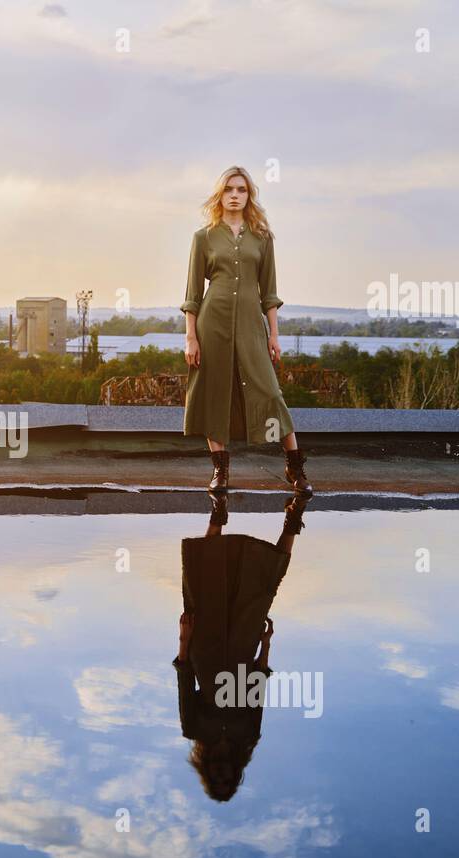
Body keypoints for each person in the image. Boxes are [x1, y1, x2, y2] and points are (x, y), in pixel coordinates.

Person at [180, 165, 313, 496]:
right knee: (213, 394)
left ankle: (295, 469)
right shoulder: (203, 238)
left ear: (249, 196)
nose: (235, 195)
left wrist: (274, 334)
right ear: (220, 195)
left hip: (253, 327)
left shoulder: (262, 238)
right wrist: (191, 336)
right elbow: (192, 294)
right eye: (229, 190)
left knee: (269, 393)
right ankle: (220, 472)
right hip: (213, 325)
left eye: (241, 190)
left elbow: (269, 292)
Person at [173, 493, 308, 801]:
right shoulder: (248, 734)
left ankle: (218, 513)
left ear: (208, 774)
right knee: (265, 587)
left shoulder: (193, 729)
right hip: (241, 648)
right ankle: (294, 517)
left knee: (202, 580)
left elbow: (184, 682)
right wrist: (265, 645)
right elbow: (257, 685)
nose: (222, 776)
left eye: (216, 780)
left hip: (204, 650)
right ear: (235, 775)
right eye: (228, 781)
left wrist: (184, 639)